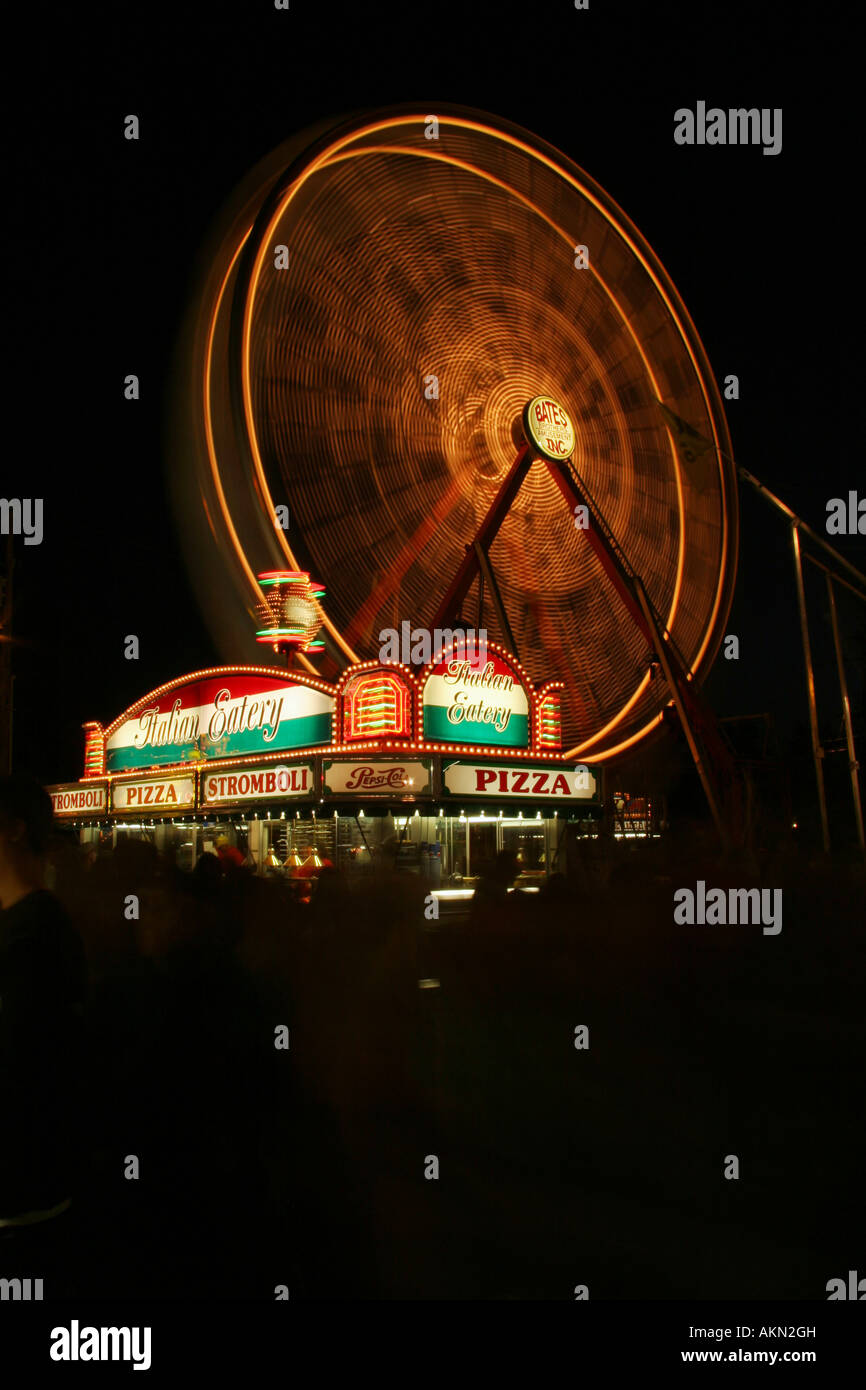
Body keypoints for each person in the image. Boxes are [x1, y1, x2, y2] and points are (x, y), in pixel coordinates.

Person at [0, 776, 87, 1229]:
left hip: (22, 1203)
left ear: (14, 829)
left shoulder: (36, 933)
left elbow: (17, 1068)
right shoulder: (22, 922)